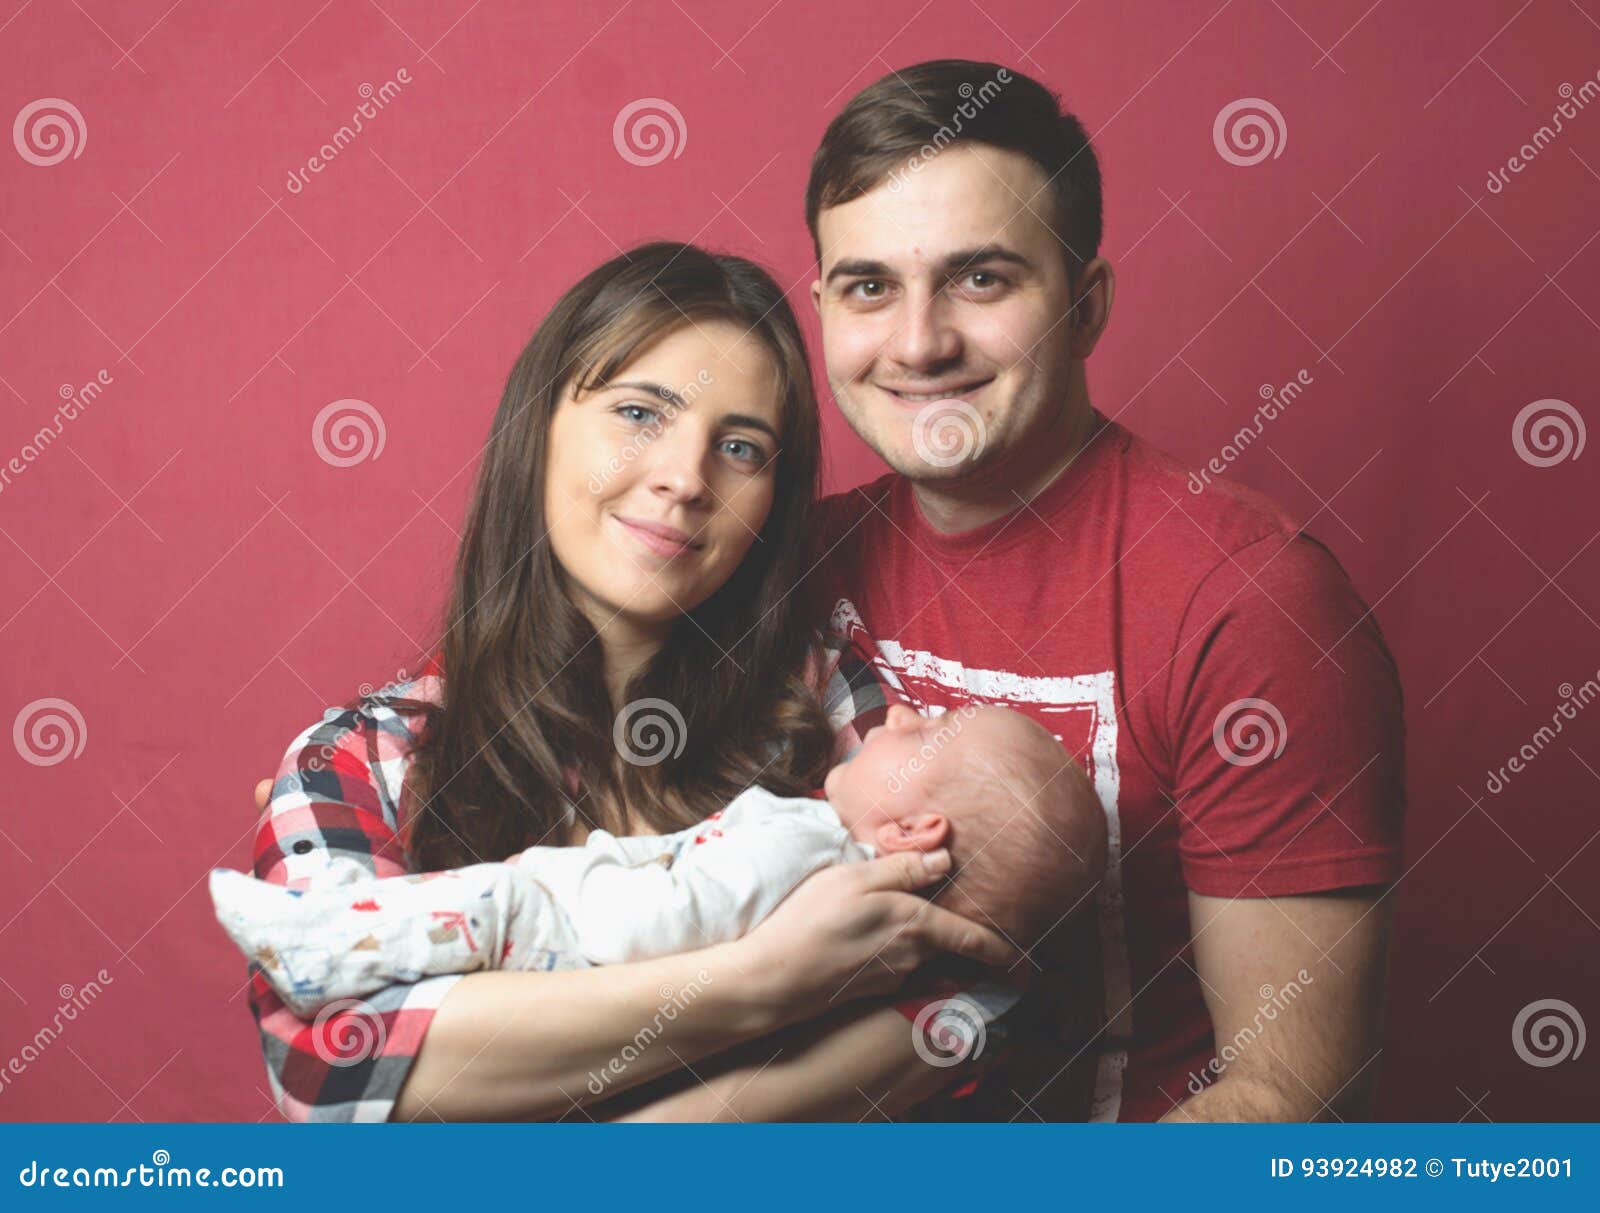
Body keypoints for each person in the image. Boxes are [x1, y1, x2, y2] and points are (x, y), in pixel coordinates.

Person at [240, 239, 1096, 1123]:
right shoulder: (361, 758)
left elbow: (972, 988)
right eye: (641, 414)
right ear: (537, 425)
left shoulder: (827, 701)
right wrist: (761, 982)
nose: (686, 479)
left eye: (739, 446)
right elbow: (332, 1072)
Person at [799, 59, 1406, 1121]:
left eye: (980, 278)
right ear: (821, 308)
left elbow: (1285, 1099)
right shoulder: (789, 562)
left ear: (1085, 305)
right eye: (868, 287)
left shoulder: (1249, 604)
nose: (917, 341)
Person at [218, 703, 1102, 1018]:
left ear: (914, 833)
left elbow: (667, 920)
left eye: (931, 733)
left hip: (578, 938)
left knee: (478, 905)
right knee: (454, 905)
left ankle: (319, 941)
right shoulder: (824, 857)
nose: (902, 715)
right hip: (586, 935)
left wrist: (575, 877)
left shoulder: (808, 847)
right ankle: (330, 924)